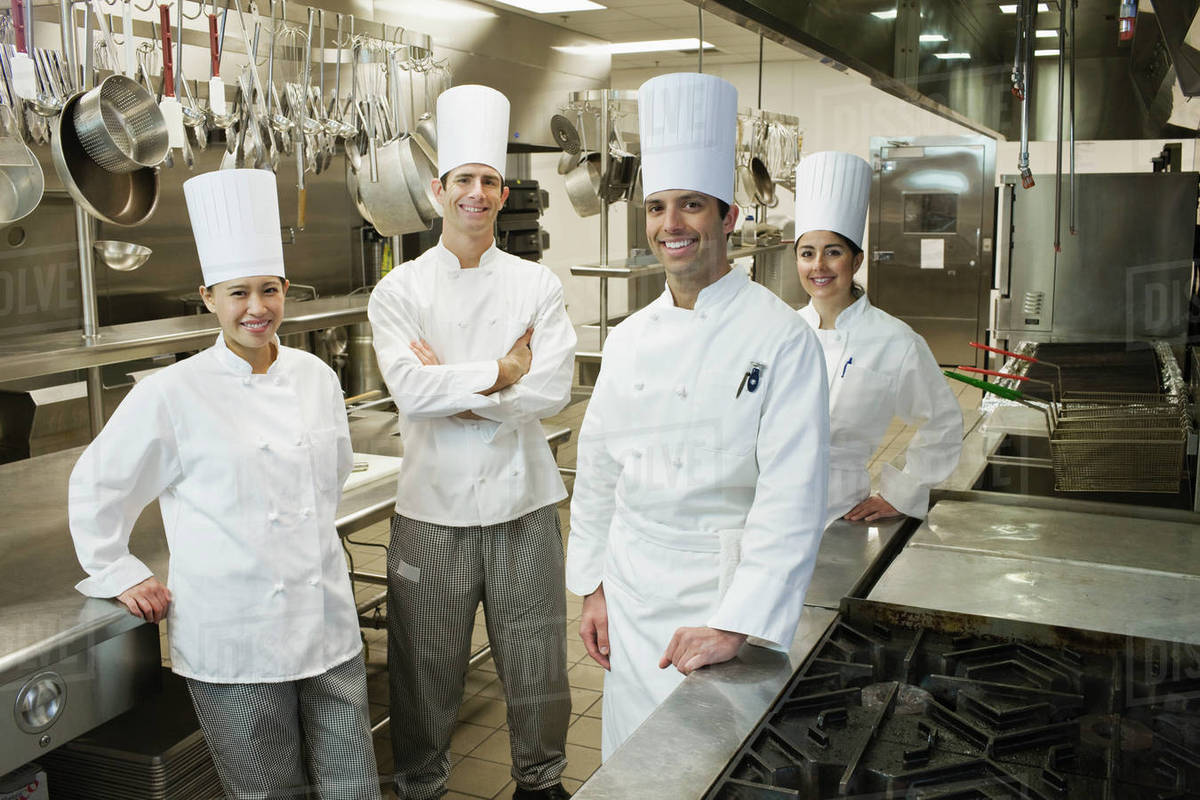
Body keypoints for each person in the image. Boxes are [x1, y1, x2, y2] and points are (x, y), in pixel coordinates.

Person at [68, 169, 381, 800]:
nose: (257, 308)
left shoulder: (316, 376)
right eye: (238, 293)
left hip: (326, 623)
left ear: (286, 290)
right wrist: (118, 568)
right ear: (208, 296)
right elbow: (97, 486)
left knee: (355, 788)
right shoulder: (171, 393)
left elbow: (332, 474)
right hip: (238, 638)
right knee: (269, 793)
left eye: (269, 290)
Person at [565, 73, 830, 760]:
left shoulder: (781, 339)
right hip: (628, 588)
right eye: (656, 208)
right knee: (630, 762)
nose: (670, 226)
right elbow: (597, 471)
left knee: (707, 765)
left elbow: (791, 498)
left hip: (717, 592)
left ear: (728, 218)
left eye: (690, 206)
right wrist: (592, 586)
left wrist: (736, 624)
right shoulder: (629, 339)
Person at [367, 84, 577, 800]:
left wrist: (455, 393)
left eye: (489, 182)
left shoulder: (536, 285)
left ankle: (540, 783)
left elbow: (551, 390)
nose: (477, 194)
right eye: (464, 181)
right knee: (423, 668)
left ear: (503, 190)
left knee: (537, 661)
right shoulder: (398, 290)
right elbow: (409, 393)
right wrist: (500, 373)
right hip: (429, 512)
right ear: (438, 189)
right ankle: (421, 787)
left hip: (523, 506)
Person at [793, 151, 963, 524]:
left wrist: (902, 492)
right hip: (768, 507)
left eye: (832, 252)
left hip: (840, 511)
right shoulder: (782, 332)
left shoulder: (894, 340)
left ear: (856, 261)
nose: (818, 266)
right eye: (807, 253)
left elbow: (943, 420)